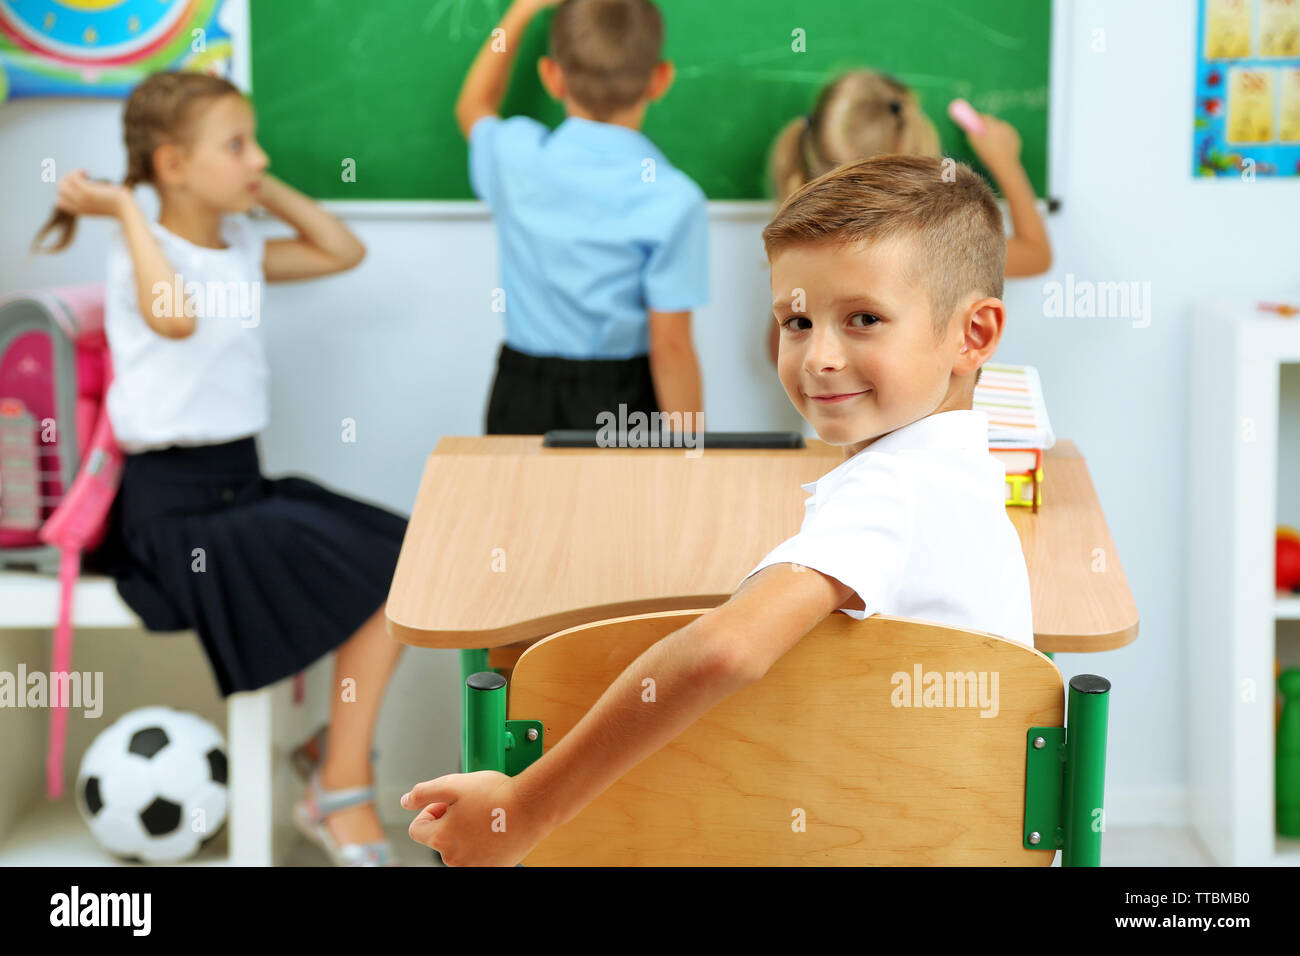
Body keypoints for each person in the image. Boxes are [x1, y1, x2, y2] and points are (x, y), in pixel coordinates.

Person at [400, 154, 1033, 866]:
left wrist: (524, 808)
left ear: (973, 335)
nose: (819, 356)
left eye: (863, 319)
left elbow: (728, 649)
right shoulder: (964, 470)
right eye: (796, 322)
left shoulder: (892, 492)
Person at [34, 71, 406, 866]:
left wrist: (255, 180)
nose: (258, 155)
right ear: (172, 164)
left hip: (245, 484)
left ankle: (329, 764)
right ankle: (340, 787)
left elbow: (344, 249)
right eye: (237, 144)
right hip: (175, 513)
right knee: (383, 572)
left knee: (409, 564)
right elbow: (172, 316)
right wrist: (130, 207)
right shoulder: (140, 250)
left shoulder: (237, 244)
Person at [457, 0, 709, 434]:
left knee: (520, 502)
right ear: (660, 79)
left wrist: (518, 14)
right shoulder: (674, 198)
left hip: (522, 389)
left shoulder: (517, 159)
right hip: (621, 396)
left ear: (552, 76)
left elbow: (474, 106)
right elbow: (670, 344)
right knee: (622, 505)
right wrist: (693, 447)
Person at [764, 69, 1052, 365]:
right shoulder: (933, 239)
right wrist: (1006, 163)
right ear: (908, 145)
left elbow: (777, 351)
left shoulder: (805, 244)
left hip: (823, 408)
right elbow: (1036, 255)